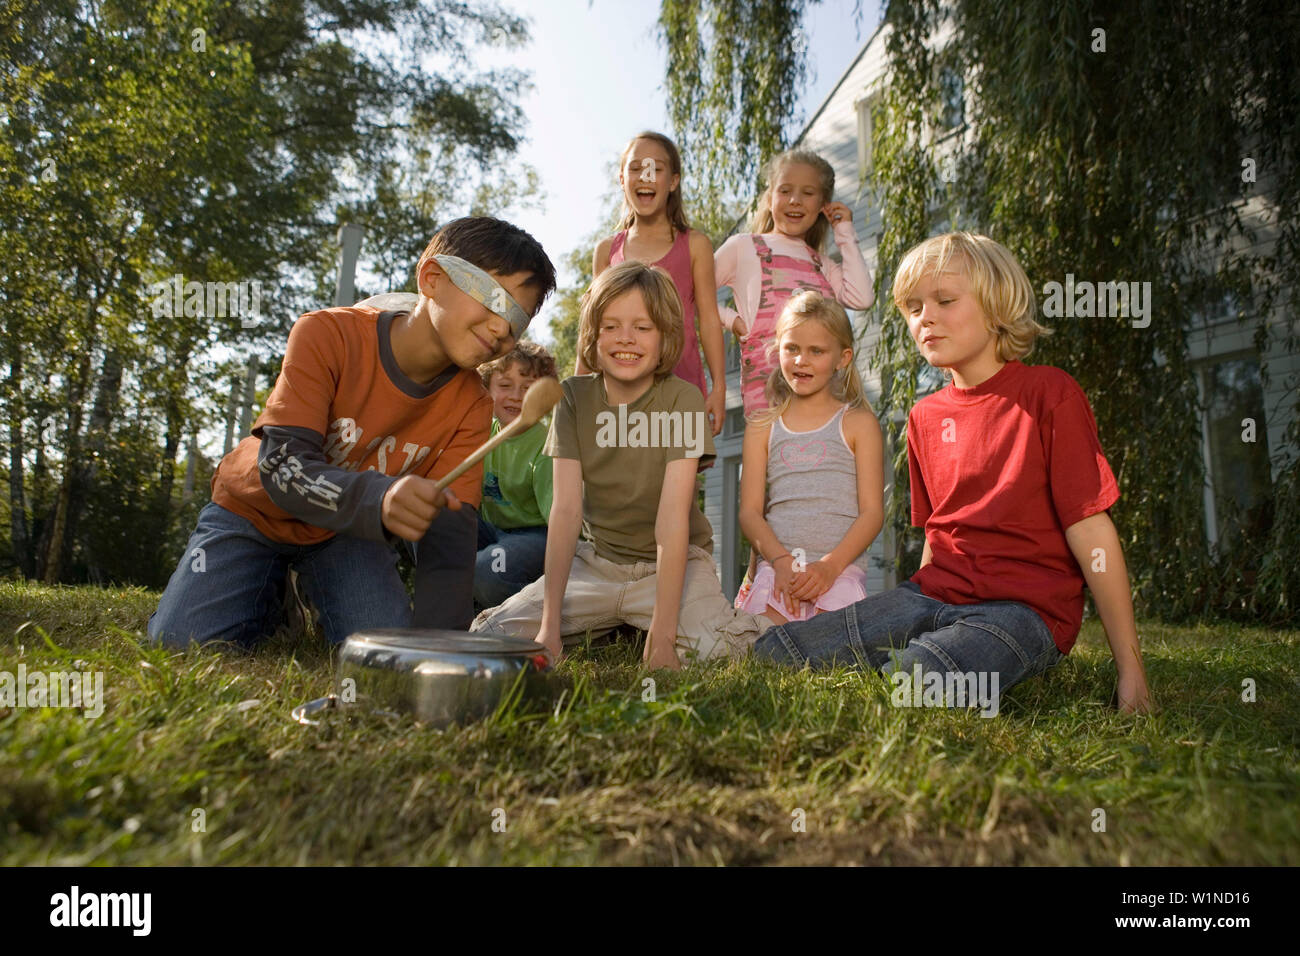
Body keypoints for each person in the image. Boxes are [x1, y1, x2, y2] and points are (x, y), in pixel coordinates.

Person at [753, 232, 1153, 714]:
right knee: (778, 652)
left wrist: (1131, 671)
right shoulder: (924, 417)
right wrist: (908, 614)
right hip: (933, 596)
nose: (926, 318)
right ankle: (920, 647)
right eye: (913, 307)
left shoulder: (1050, 393)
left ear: (996, 305)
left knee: (916, 679)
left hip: (1023, 613)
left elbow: (1090, 528)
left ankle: (930, 660)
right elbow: (937, 534)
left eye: (945, 300)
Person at [148, 217, 556, 648]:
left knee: (385, 652)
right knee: (178, 643)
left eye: (517, 319)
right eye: (492, 298)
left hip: (347, 535)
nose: (500, 328)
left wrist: (441, 651)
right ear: (432, 278)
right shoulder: (326, 334)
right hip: (254, 511)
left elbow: (450, 536)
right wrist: (379, 497)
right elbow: (283, 466)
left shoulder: (474, 403)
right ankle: (270, 594)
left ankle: (312, 589)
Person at [472, 261, 772, 669]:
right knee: (491, 636)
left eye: (642, 327)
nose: (625, 339)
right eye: (611, 326)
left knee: (721, 651)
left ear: (665, 336)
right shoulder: (573, 399)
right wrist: (549, 625)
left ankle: (647, 625)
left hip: (674, 564)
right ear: (592, 335)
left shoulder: (682, 400)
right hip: (596, 564)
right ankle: (615, 623)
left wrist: (664, 637)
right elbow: (564, 511)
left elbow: (671, 518)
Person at [735, 291, 883, 624]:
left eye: (816, 351)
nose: (802, 361)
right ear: (779, 349)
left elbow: (872, 513)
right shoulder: (762, 427)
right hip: (777, 572)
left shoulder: (858, 423)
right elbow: (749, 513)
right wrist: (780, 562)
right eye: (792, 349)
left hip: (838, 572)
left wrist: (830, 567)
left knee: (831, 654)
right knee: (763, 649)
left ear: (842, 358)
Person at [577, 131, 726, 436]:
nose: (645, 177)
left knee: (679, 478)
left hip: (679, 388)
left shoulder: (695, 245)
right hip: (619, 393)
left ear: (673, 181)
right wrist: (578, 390)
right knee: (621, 477)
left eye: (655, 169)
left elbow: (709, 319)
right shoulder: (607, 251)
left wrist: (720, 386)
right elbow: (592, 327)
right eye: (635, 168)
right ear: (621, 179)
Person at [714, 148, 875, 419]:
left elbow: (862, 298)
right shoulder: (744, 247)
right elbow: (690, 292)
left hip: (824, 401)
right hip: (767, 400)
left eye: (808, 193)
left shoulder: (822, 264)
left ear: (824, 204)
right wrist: (734, 322)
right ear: (769, 198)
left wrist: (844, 231)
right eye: (785, 190)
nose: (795, 200)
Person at [474, 341, 556, 611]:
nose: (516, 396)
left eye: (528, 387)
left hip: (533, 536)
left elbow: (558, 521)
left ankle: (537, 606)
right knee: (430, 515)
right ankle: (447, 599)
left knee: (486, 571)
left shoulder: (547, 446)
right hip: (488, 529)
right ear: (487, 387)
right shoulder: (478, 431)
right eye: (505, 385)